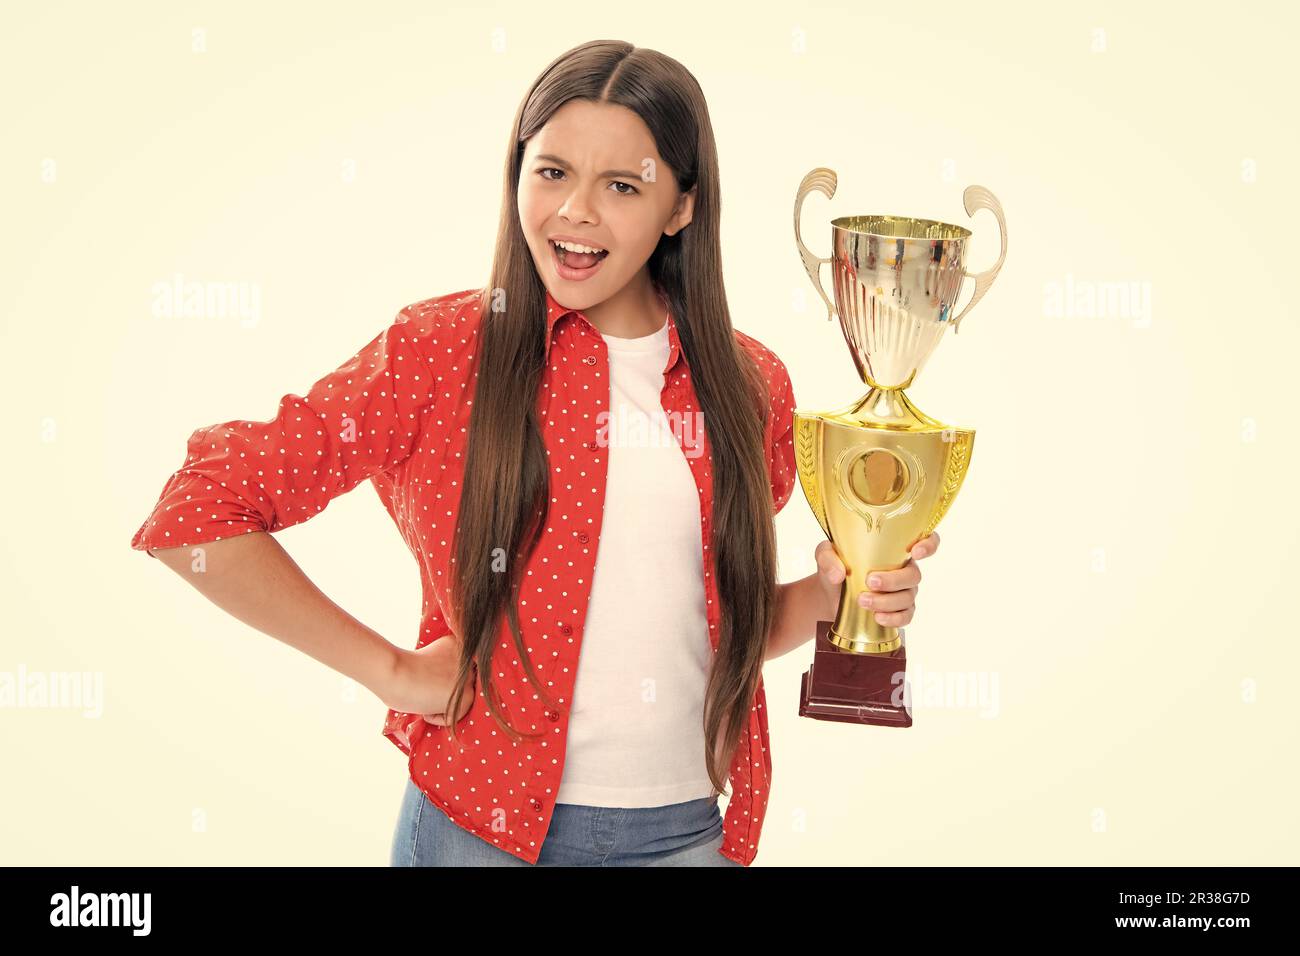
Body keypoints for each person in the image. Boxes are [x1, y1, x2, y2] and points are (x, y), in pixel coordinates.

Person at [130, 39, 938, 867]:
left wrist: (836, 594)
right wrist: (392, 672)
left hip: (687, 834)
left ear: (682, 206)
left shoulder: (749, 384)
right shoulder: (439, 354)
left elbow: (709, 625)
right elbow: (198, 512)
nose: (576, 212)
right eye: (551, 172)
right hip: (478, 834)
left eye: (623, 185)